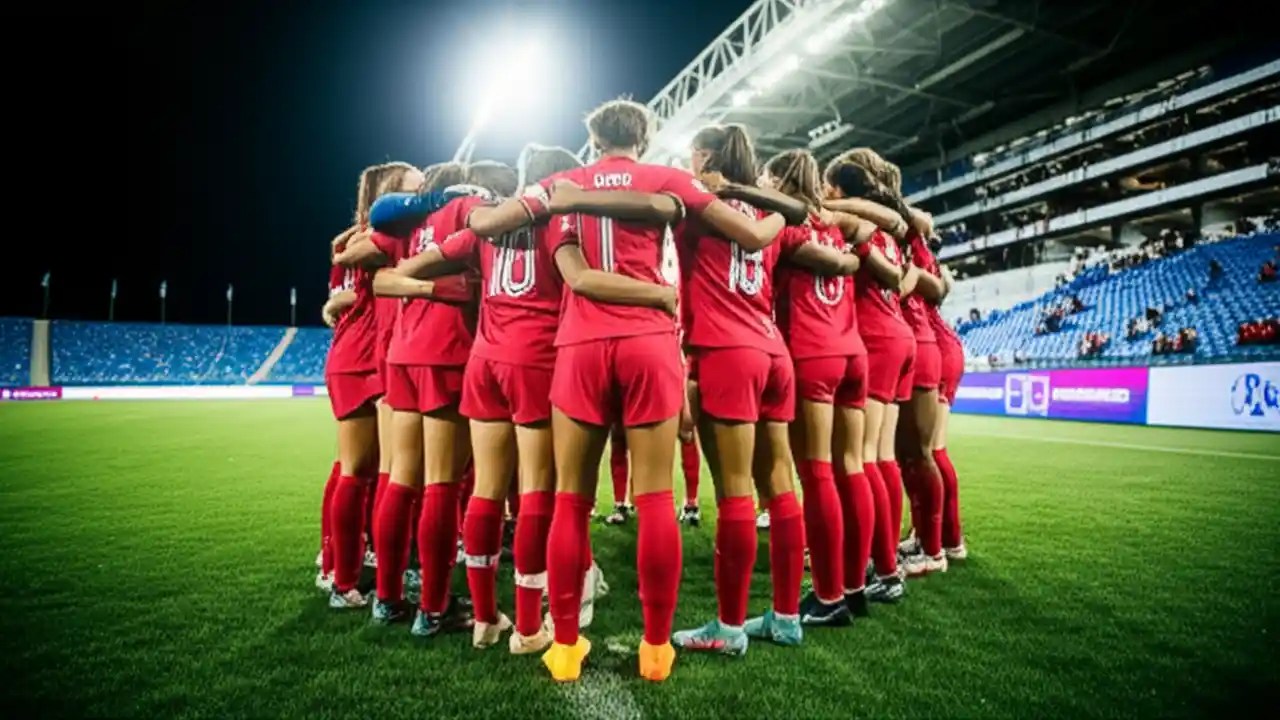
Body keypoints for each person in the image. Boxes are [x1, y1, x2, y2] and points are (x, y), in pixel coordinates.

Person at [384, 145, 685, 653]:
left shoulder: (487, 226)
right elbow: (586, 279)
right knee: (539, 495)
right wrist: (660, 296)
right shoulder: (560, 223)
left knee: (485, 493)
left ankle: (484, 619)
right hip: (537, 361)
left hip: (484, 361)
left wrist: (451, 289)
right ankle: (527, 627)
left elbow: (406, 270)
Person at [534, 99, 787, 684]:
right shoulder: (669, 179)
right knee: (653, 499)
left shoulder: (563, 185)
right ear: (643, 140)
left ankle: (566, 647)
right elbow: (746, 233)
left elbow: (569, 270)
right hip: (651, 344)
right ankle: (655, 650)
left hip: (580, 343)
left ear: (593, 139)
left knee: (571, 500)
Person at [324, 161, 427, 609]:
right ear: (391, 194)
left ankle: (341, 574)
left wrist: (334, 303)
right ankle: (387, 578)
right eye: (415, 187)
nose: (424, 193)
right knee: (388, 471)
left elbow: (342, 290)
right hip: (376, 352)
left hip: (351, 351)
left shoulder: (353, 237)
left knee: (357, 469)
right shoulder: (381, 237)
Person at [822, 155, 911, 604]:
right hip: (895, 334)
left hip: (873, 336)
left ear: (839, 189)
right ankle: (884, 561)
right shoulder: (888, 224)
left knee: (861, 461)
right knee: (881, 458)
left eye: (828, 186)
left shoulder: (856, 223)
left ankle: (882, 568)